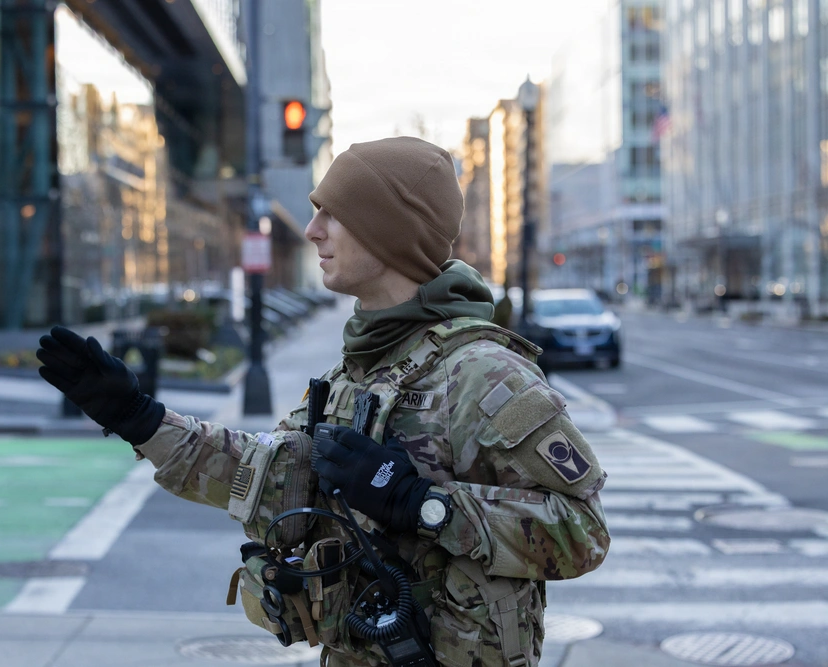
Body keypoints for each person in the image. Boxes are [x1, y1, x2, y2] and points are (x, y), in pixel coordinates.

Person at [37, 136, 610, 667]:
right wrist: (139, 419)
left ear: (388, 232)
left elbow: (583, 532)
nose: (313, 230)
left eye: (333, 213)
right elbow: (267, 471)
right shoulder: (359, 369)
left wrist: (421, 504)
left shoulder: (484, 375)